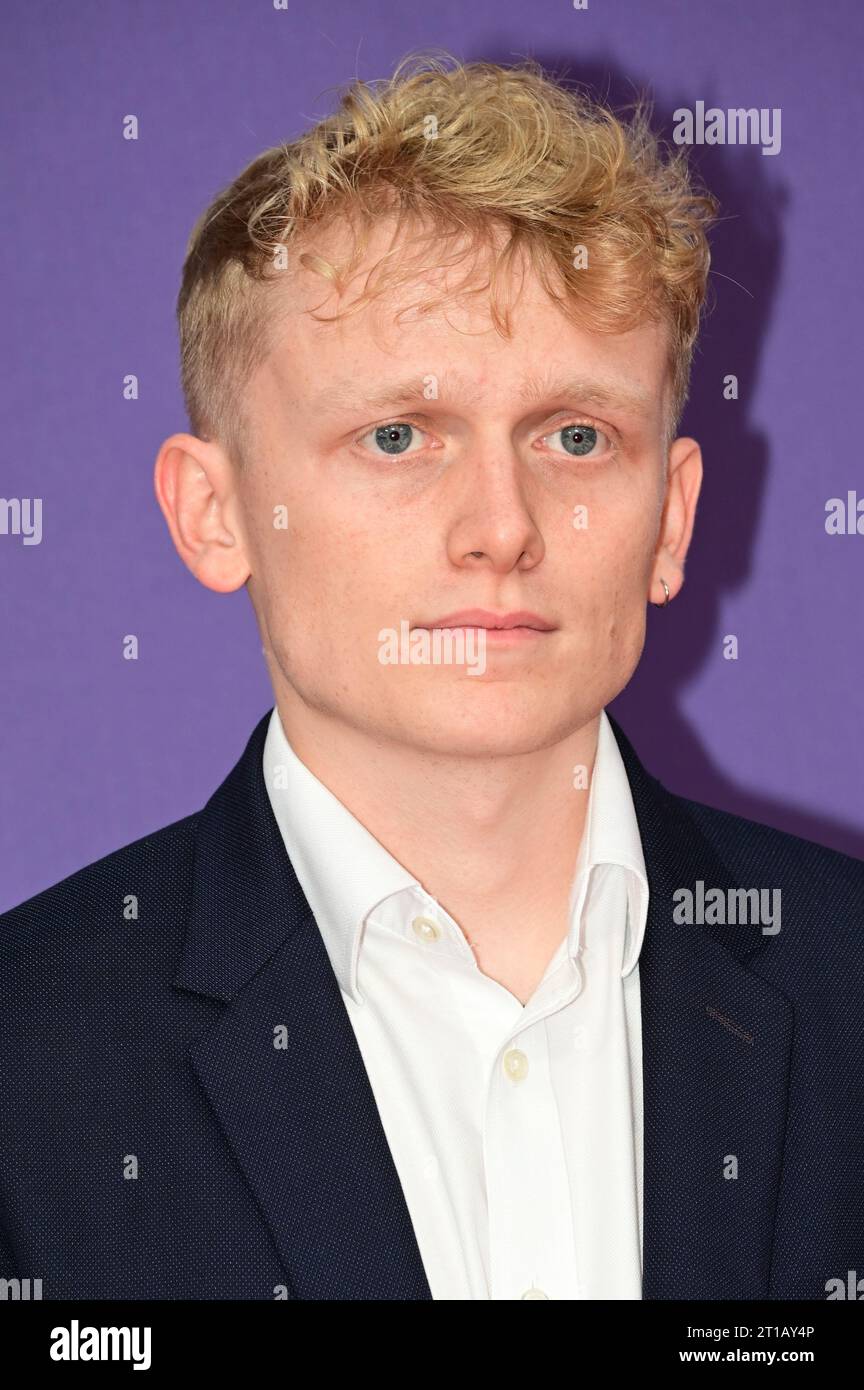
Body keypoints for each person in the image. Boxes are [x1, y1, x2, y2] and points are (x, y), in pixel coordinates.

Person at [1, 53, 861, 1302]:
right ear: (214, 510)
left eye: (576, 436)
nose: (500, 528)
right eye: (398, 436)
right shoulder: (27, 1064)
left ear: (670, 522)